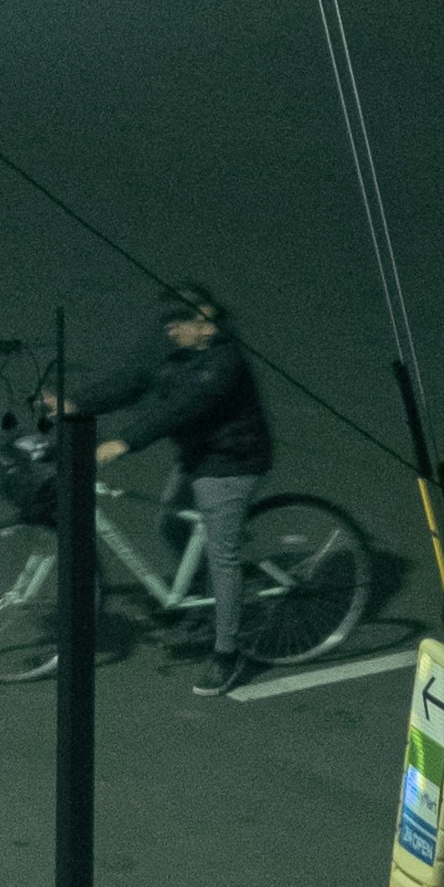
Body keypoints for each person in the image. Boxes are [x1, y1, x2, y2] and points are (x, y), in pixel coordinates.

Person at [59, 285, 275, 696]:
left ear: (205, 322)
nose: (170, 331)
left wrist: (125, 442)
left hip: (231, 462)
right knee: (170, 525)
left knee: (222, 557)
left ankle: (227, 652)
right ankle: (197, 600)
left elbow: (180, 407)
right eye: (167, 324)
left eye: (178, 324)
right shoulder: (178, 347)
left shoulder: (223, 363)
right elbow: (133, 381)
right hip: (197, 454)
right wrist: (76, 403)